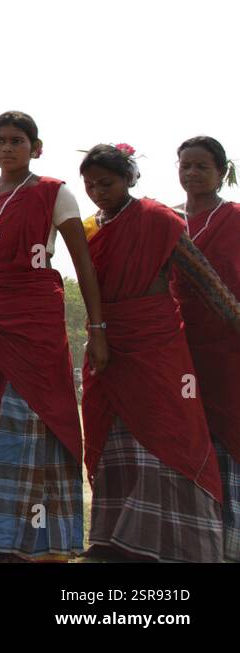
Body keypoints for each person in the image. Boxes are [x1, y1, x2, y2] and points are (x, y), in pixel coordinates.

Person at [0, 111, 102, 561]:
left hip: (37, 317)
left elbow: (83, 264)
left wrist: (98, 328)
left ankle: (43, 538)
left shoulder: (55, 193)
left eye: (18, 140)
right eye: (0, 140)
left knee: (38, 417)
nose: (7, 147)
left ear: (35, 147)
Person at [79, 143, 238, 562]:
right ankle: (113, 537)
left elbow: (206, 282)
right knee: (110, 436)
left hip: (156, 346)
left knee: (167, 436)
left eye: (107, 183)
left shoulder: (158, 219)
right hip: (106, 345)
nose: (98, 192)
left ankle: (177, 542)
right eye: (90, 184)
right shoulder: (87, 228)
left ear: (130, 178)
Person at [172, 135, 240, 560]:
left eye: (202, 166)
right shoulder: (169, 219)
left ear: (221, 172)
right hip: (179, 345)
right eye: (185, 165)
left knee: (231, 434)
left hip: (230, 345)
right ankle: (197, 539)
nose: (192, 173)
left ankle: (231, 541)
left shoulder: (234, 217)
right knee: (189, 437)